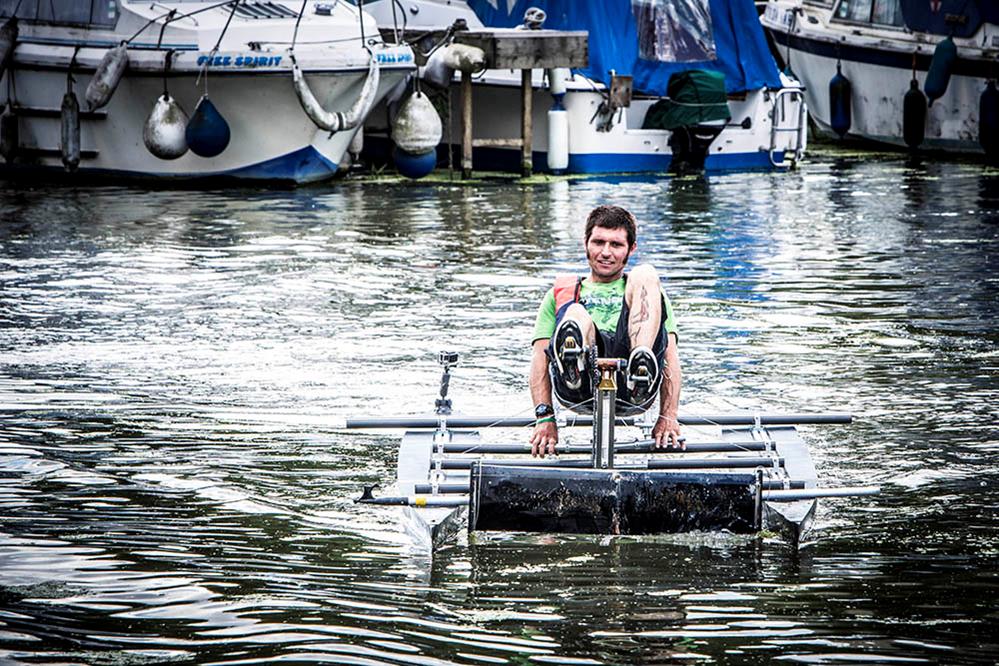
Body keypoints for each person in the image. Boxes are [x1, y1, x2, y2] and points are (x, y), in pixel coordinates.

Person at [529, 205, 682, 456]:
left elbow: (671, 356)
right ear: (586, 243)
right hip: (580, 389)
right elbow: (538, 358)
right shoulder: (559, 294)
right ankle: (572, 365)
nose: (605, 253)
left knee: (646, 273)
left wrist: (668, 416)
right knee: (575, 313)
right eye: (598, 242)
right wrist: (545, 418)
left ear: (631, 248)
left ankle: (640, 368)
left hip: (632, 389)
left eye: (616, 245)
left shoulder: (650, 293)